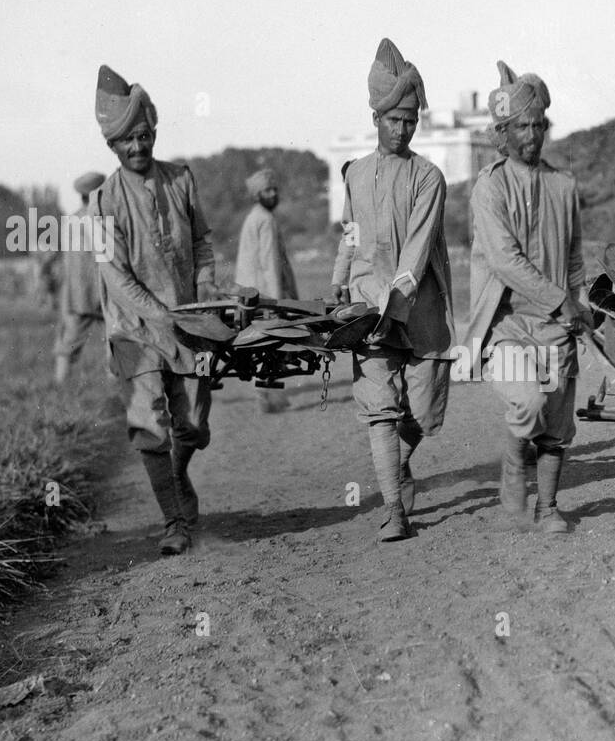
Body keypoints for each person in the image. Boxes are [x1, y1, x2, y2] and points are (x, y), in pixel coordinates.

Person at [329, 39, 455, 542]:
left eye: (410, 120)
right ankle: (394, 512)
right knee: (380, 408)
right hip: (366, 307)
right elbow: (352, 236)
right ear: (375, 116)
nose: (402, 129)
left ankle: (399, 464)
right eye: (393, 120)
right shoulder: (356, 174)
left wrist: (393, 309)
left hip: (418, 309)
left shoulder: (429, 177)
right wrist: (339, 282)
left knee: (421, 414)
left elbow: (416, 253)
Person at [91, 64, 218, 556]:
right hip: (135, 330)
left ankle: (176, 477)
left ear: (154, 133)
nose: (139, 148)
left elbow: (203, 241)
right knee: (151, 424)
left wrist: (204, 286)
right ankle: (175, 523)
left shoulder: (182, 180)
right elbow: (116, 278)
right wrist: (159, 314)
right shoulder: (104, 202)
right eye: (129, 141)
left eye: (144, 137)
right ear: (113, 147)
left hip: (188, 322)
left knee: (193, 426)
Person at [468, 61, 588, 535]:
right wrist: (562, 300)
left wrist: (578, 305)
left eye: (539, 125)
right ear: (502, 133)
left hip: (559, 327)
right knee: (529, 402)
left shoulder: (564, 185)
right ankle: (515, 459)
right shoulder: (489, 186)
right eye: (521, 126)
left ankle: (548, 508)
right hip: (508, 327)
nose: (532, 135)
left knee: (558, 422)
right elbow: (505, 260)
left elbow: (575, 256)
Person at [236, 167, 298, 413]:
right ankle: (269, 398)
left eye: (274, 189)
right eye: (266, 190)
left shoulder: (255, 216)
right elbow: (269, 262)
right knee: (272, 345)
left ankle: (270, 397)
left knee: (264, 346)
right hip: (265, 294)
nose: (272, 194)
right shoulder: (264, 219)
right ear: (256, 195)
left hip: (253, 293)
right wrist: (278, 301)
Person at [50, 171, 108, 385]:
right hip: (105, 292)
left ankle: (60, 386)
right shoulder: (105, 219)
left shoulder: (70, 221)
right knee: (116, 342)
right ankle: (116, 389)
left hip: (77, 294)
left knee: (68, 344)